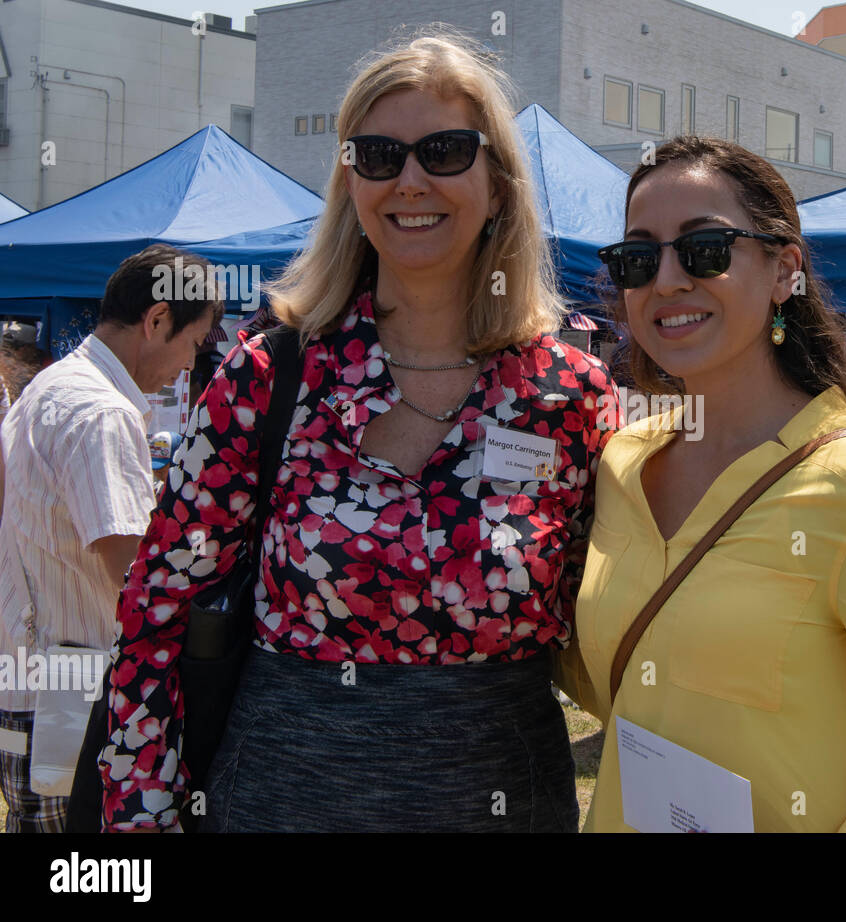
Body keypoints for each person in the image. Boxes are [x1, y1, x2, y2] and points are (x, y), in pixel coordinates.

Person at [98, 29, 616, 832]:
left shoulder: (571, 396)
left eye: (444, 151)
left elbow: (624, 618)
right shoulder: (268, 377)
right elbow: (156, 613)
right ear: (350, 182)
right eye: (376, 156)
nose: (410, 180)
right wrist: (143, 823)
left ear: (501, 184)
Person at [563, 136, 846, 833]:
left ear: (783, 271)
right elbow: (619, 672)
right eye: (639, 258)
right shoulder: (621, 461)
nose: (668, 280)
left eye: (705, 248)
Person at [0, 245, 219, 833]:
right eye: (193, 346)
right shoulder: (102, 413)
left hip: (32, 682)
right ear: (157, 319)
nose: (187, 370)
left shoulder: (49, 387)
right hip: (70, 694)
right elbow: (136, 575)